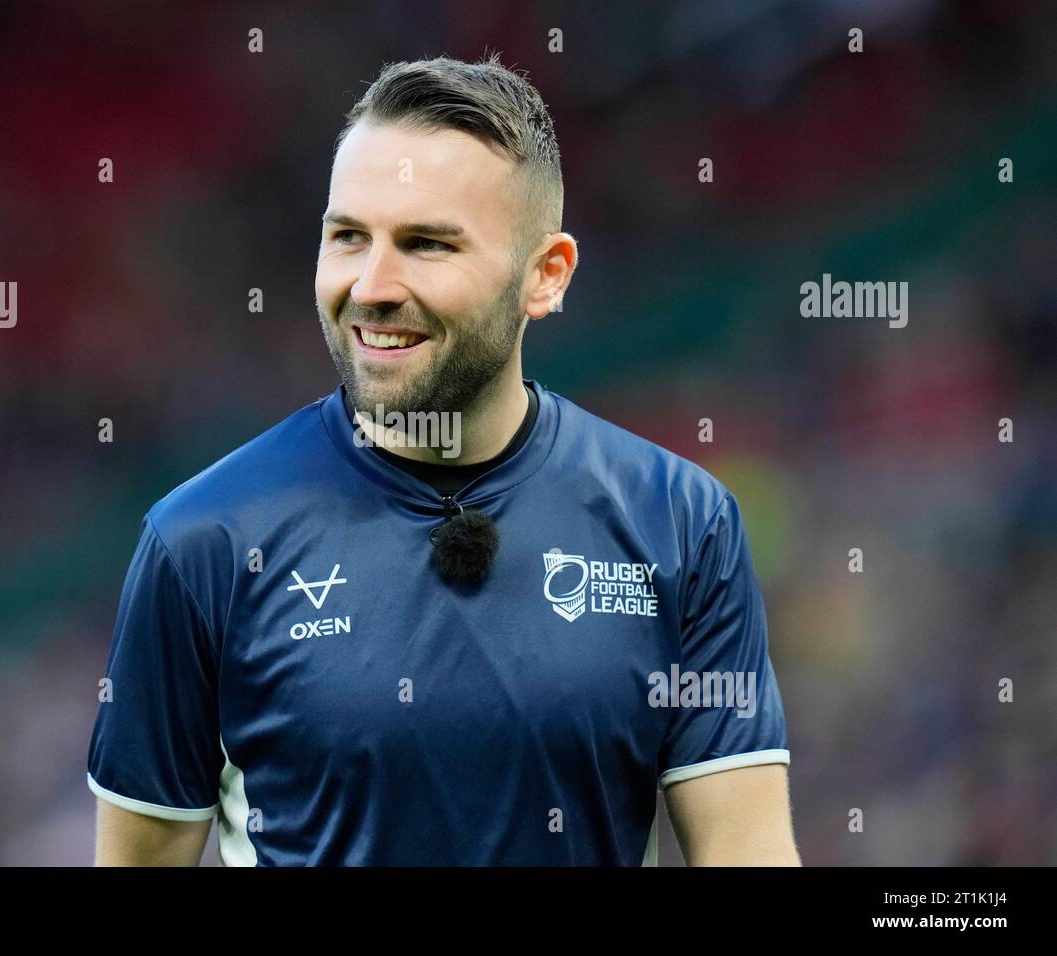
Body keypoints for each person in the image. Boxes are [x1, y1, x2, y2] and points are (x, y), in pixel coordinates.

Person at [87, 54, 800, 866]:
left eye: (426, 244)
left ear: (546, 276)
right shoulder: (201, 543)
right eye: (348, 237)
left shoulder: (681, 524)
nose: (372, 286)